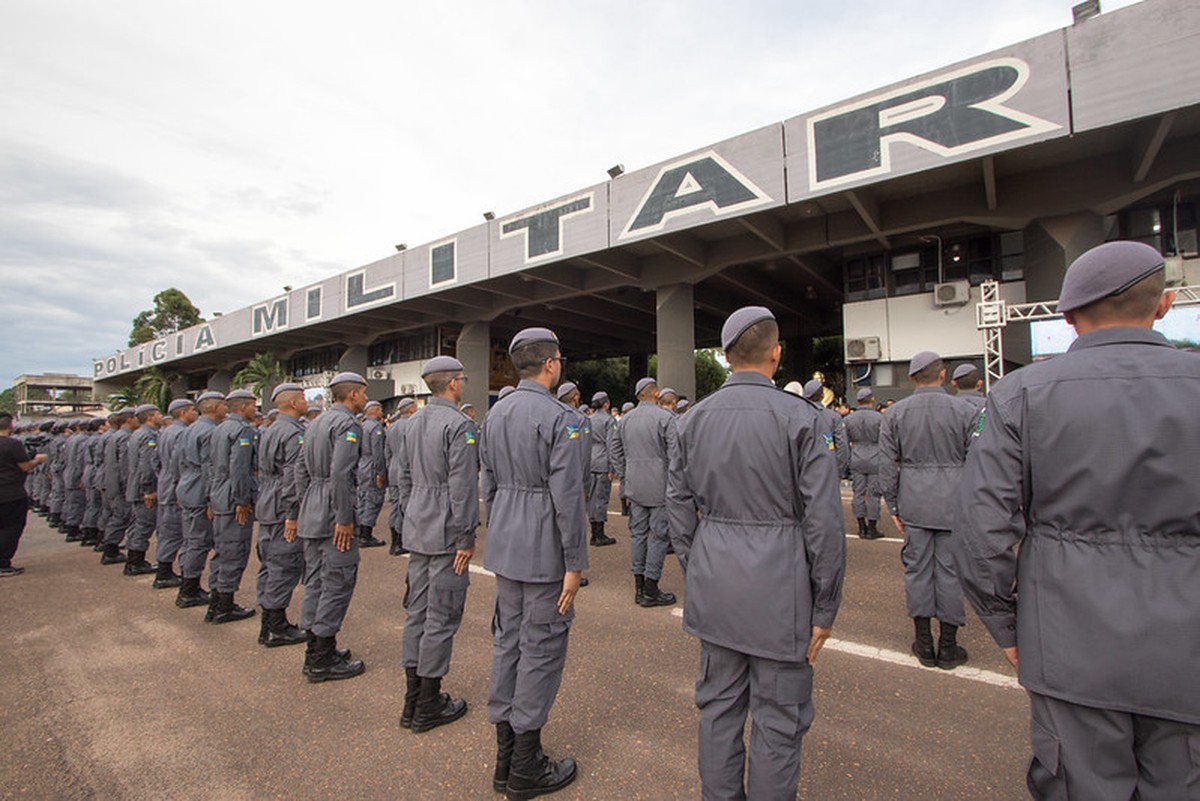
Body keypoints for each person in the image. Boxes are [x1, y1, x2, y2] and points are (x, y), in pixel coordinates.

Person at [956, 241, 1200, 798]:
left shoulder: (1022, 393)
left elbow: (982, 530)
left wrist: (1008, 625)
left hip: (1069, 644)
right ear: (1162, 304)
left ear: (1067, 317)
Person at [666, 306, 845, 800]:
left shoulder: (691, 421)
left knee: (719, 712)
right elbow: (824, 524)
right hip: (781, 592)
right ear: (776, 353)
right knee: (779, 723)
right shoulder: (802, 419)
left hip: (716, 583)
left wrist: (697, 567)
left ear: (725, 359)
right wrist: (825, 605)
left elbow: (678, 511)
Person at [481, 328, 586, 799]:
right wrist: (575, 562)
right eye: (558, 358)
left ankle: (506, 759)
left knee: (508, 643)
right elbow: (568, 498)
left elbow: (489, 485)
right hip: (544, 546)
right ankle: (525, 766)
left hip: (506, 542)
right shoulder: (561, 417)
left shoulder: (495, 412)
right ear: (550, 364)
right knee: (540, 650)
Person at [878, 351, 976, 670]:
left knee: (917, 569)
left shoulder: (895, 414)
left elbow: (887, 465)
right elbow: (980, 461)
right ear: (943, 375)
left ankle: (923, 642)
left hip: (914, 502)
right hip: (954, 503)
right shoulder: (965, 410)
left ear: (911, 379)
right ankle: (948, 646)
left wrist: (892, 504)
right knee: (949, 572)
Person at [396, 356, 479, 733]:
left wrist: (406, 519)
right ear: (452, 384)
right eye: (462, 379)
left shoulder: (411, 423)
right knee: (441, 616)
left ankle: (412, 699)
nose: (463, 384)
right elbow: (462, 489)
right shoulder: (459, 425)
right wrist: (466, 536)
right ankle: (428, 702)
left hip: (418, 525)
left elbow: (405, 478)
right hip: (446, 530)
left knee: (416, 612)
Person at [296, 372, 369, 682]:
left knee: (314, 581)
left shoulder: (315, 423)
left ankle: (316, 647)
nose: (366, 398)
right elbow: (340, 474)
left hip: (313, 506)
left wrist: (308, 503)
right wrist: (343, 517)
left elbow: (301, 469)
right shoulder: (347, 425)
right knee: (337, 582)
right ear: (352, 394)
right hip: (332, 509)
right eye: (363, 393)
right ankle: (321, 658)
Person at [611, 377, 678, 607]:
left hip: (635, 486)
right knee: (659, 537)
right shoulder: (666, 418)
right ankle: (651, 588)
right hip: (660, 486)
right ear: (656, 393)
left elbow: (615, 449)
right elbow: (677, 455)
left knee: (638, 535)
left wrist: (625, 473)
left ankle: (639, 587)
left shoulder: (625, 420)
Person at [253, 383, 308, 647]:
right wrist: (292, 514)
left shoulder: (271, 428)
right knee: (284, 563)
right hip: (281, 506)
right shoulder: (293, 433)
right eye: (304, 398)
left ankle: (270, 622)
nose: (307, 402)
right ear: (295, 403)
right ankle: (275, 626)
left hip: (267, 500)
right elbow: (292, 477)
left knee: (269, 562)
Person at [207, 389, 259, 624]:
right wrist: (242, 500)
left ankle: (216, 602)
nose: (255, 410)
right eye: (253, 405)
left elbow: (211, 467)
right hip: (232, 498)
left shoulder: (219, 429)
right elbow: (239, 469)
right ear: (243, 407)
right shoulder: (242, 430)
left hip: (219, 495)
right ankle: (224, 607)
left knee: (222, 550)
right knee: (234, 551)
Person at [175, 391, 226, 611]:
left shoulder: (189, 430)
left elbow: (178, 462)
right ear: (214, 408)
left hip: (187, 487)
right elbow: (209, 468)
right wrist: (211, 499)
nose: (226, 409)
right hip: (199, 491)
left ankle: (189, 584)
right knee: (199, 541)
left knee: (191, 539)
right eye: (224, 405)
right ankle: (189, 590)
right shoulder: (209, 432)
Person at [151, 399, 195, 589]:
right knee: (175, 532)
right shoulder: (182, 433)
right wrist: (181, 487)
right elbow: (179, 464)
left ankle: (164, 569)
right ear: (184, 413)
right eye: (193, 410)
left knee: (168, 529)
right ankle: (164, 573)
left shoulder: (166, 431)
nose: (196, 413)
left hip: (166, 484)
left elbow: (156, 461)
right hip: (175, 487)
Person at [0, 413, 48, 577]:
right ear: (10, 425)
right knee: (11, 528)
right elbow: (25, 466)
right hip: (10, 493)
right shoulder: (12, 444)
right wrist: (38, 460)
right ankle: (3, 563)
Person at [122, 404, 162, 576]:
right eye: (158, 413)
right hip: (143, 488)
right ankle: (135, 562)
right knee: (144, 524)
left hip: (136, 485)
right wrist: (148, 489)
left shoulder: (137, 434)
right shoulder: (147, 436)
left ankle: (135, 560)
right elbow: (147, 464)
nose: (161, 416)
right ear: (150, 417)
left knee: (139, 523)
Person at [843, 387, 885, 539]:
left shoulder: (848, 419)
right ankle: (872, 528)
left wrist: (846, 462)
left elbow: (844, 443)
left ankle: (861, 527)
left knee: (858, 493)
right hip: (875, 458)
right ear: (871, 399)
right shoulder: (879, 418)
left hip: (857, 458)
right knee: (874, 494)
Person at [100, 408, 140, 566]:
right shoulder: (124, 438)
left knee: (118, 515)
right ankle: (110, 551)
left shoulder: (117, 435)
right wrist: (128, 486)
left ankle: (110, 547)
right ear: (129, 419)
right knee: (121, 516)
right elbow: (125, 465)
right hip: (121, 484)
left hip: (113, 481)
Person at [385, 397, 418, 555]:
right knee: (406, 507)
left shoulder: (392, 427)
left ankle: (395, 541)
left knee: (394, 506)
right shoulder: (415, 425)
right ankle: (402, 541)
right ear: (411, 409)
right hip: (408, 471)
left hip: (393, 469)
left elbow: (387, 452)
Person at [584, 391, 617, 547]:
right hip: (603, 460)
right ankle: (599, 534)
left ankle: (593, 533)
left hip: (590, 460)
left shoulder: (588, 419)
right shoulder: (609, 420)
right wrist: (612, 467)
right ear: (606, 404)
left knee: (591, 499)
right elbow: (611, 445)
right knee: (602, 498)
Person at [354, 400, 388, 548]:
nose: (382, 412)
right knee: (373, 500)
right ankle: (366, 535)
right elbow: (378, 453)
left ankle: (360, 531)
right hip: (372, 467)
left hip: (363, 466)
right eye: (380, 410)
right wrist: (380, 472)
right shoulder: (376, 428)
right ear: (374, 411)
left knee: (363, 498)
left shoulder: (361, 426)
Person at [802, 379, 850, 479]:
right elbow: (842, 445)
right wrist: (838, 470)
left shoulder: (795, 415)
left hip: (803, 470)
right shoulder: (833, 417)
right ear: (823, 395)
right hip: (828, 469)